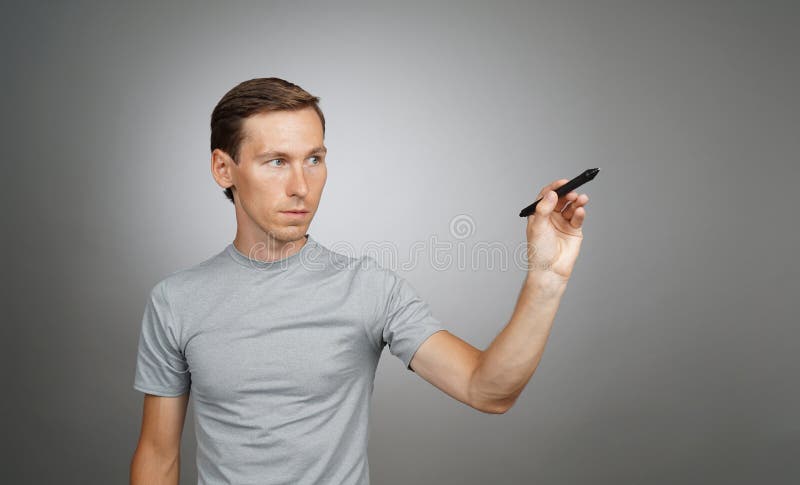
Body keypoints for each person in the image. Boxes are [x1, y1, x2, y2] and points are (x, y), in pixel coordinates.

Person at [130, 77, 590, 484]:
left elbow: (488, 390)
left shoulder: (369, 289)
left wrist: (547, 276)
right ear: (223, 169)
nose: (301, 186)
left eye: (314, 159)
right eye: (276, 161)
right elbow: (157, 456)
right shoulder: (176, 301)